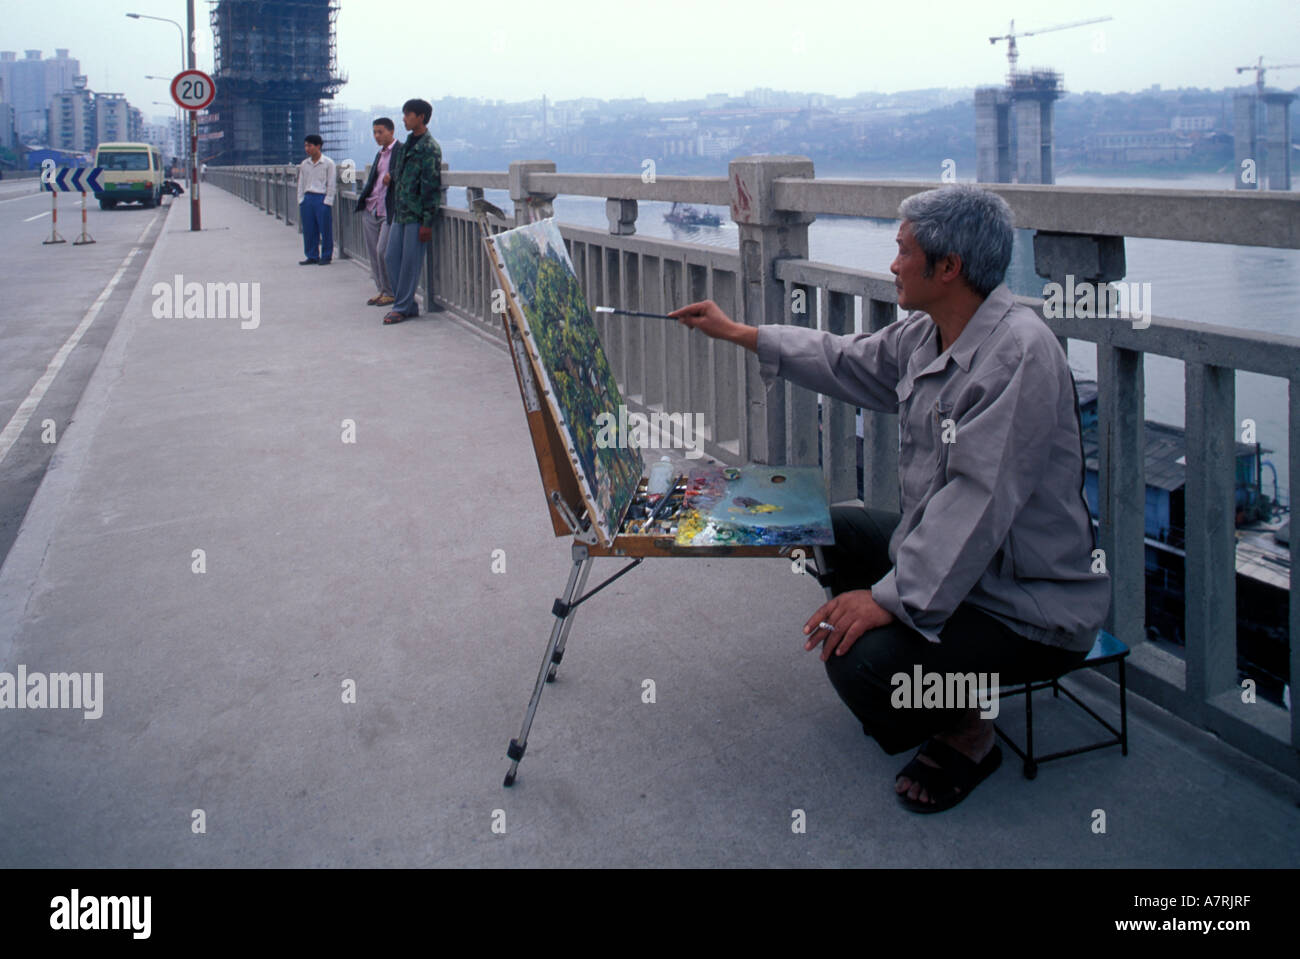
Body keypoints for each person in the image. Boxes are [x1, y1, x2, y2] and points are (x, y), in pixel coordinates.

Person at [669, 184, 1110, 813]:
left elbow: (975, 502)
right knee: (836, 530)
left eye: (903, 251)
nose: (894, 264)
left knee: (861, 668)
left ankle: (969, 733)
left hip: (1024, 601)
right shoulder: (930, 333)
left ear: (948, 267)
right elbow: (846, 360)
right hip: (966, 573)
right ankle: (931, 662)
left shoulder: (1018, 354)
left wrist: (888, 600)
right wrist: (740, 333)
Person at [382, 98, 442, 324]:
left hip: (417, 215)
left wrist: (427, 221)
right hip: (401, 211)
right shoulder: (407, 145)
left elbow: (431, 186)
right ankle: (406, 304)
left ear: (421, 117)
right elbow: (400, 173)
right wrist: (392, 177)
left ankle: (401, 306)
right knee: (390, 257)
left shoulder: (430, 148)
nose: (404, 119)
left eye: (408, 115)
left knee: (410, 262)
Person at [355, 117, 402, 306]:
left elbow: (408, 172)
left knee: (383, 251)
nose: (377, 136)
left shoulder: (401, 151)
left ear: (391, 131)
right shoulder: (380, 154)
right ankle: (381, 289)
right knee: (374, 253)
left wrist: (395, 175)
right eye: (374, 132)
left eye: (380, 132)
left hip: (388, 209)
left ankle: (391, 291)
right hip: (372, 207)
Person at [296, 134, 336, 265]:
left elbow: (331, 183)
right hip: (308, 198)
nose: (307, 148)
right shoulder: (304, 164)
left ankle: (326, 256)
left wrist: (328, 201)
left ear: (318, 146)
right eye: (305, 145)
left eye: (310, 145)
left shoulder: (328, 163)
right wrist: (301, 200)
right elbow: (301, 183)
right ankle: (312, 255)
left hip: (321, 198)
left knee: (325, 229)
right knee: (309, 229)